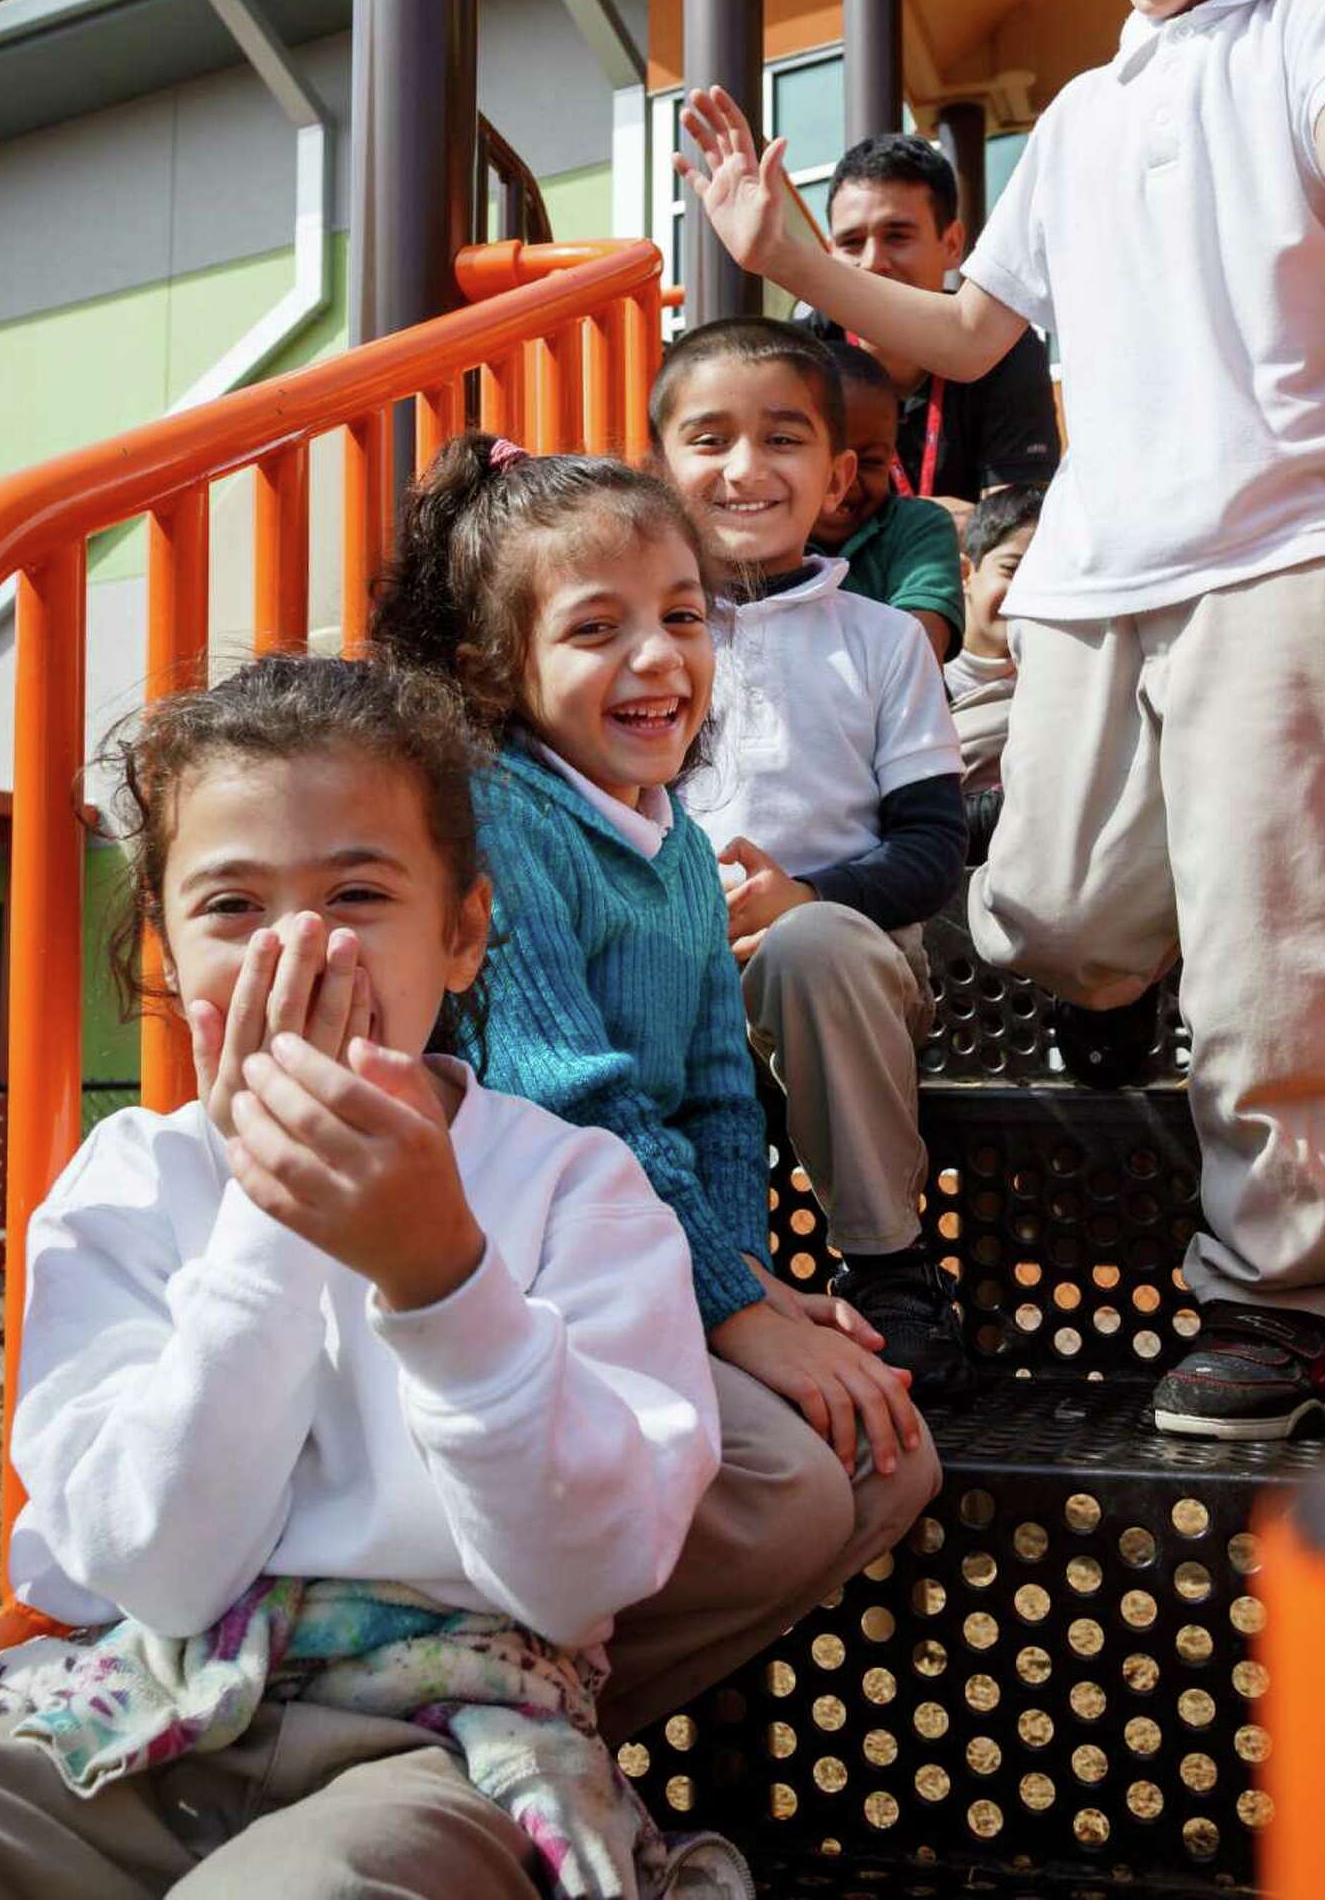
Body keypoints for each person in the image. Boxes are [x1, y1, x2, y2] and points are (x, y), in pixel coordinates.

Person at [676, 0, 1325, 1444]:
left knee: (1279, 943)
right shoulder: (1079, 115)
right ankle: (1122, 992)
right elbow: (964, 329)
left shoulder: (1320, 22)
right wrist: (793, 257)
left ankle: (1287, 1295)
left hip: (1277, 556)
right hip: (1087, 577)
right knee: (1052, 909)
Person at [0, 654, 726, 1899]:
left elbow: (585, 1574)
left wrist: (446, 1280)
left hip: (439, 1744)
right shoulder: (126, 1185)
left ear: (463, 933)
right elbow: (158, 1568)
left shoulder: (578, 1187)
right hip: (132, 1712)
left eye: (357, 891)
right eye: (234, 905)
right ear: (167, 949)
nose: (299, 946)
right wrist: (269, 1218)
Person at [368, 435, 942, 1742]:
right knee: (796, 1486)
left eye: (683, 617)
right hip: (522, 1263)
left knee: (891, 1456)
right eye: (597, 628)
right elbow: (573, 1092)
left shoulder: (676, 841)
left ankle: (539, 1718)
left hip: (645, 1258)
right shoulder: (498, 814)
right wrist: (734, 1314)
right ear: (496, 667)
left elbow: (719, 1097)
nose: (658, 657)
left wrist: (744, 1277)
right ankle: (459, 1710)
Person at [648, 317, 971, 1402]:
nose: (745, 468)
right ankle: (678, 1278)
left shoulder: (879, 639)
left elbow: (934, 848)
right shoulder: (642, 642)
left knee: (814, 945)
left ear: (837, 477)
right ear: (659, 468)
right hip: (678, 967)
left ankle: (889, 1264)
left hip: (845, 969)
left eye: (782, 438)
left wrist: (805, 896)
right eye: (709, 440)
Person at [801, 131, 1060, 517]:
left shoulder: (1004, 345)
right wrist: (933, 525)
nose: (872, 262)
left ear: (952, 244)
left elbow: (1018, 526)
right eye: (851, 243)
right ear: (829, 253)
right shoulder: (800, 357)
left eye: (897, 236)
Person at [810, 337, 965, 660]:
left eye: (869, 462)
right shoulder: (761, 529)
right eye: (826, 460)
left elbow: (917, 654)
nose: (846, 482)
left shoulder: (918, 527)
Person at [945, 481, 1046, 849]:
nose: (1030, 589)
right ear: (965, 572)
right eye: (1012, 569)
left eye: (1050, 574)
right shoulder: (916, 671)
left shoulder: (1064, 687)